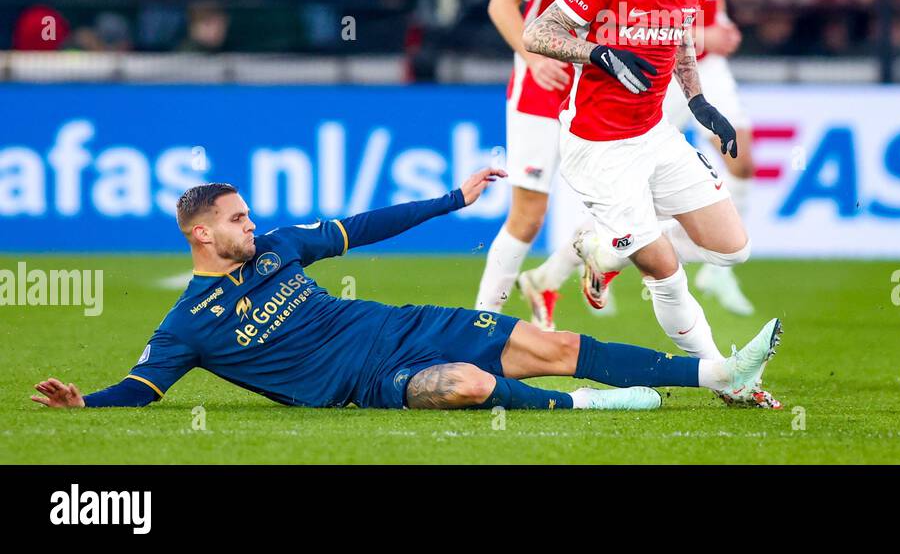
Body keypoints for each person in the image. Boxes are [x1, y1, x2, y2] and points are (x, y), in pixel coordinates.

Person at [31, 173, 782, 412]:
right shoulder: (187, 325)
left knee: (551, 344)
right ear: (201, 236)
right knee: (463, 385)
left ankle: (720, 372)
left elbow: (364, 226)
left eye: (248, 213)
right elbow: (143, 385)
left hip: (403, 323)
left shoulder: (282, 247)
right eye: (236, 220)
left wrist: (452, 199)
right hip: (369, 380)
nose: (251, 225)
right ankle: (591, 405)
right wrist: (86, 404)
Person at [522, 0, 781, 408]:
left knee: (733, 248)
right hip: (598, 146)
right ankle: (728, 379)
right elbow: (538, 32)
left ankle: (603, 245)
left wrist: (700, 100)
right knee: (664, 270)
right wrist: (599, 53)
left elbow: (682, 34)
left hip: (655, 136)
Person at [478, 0, 653, 328]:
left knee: (615, 210)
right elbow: (501, 4)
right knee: (529, 216)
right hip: (542, 88)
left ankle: (545, 281)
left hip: (595, 94)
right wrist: (532, 59)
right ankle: (482, 323)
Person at [658, 0, 755, 316]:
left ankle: (718, 273)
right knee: (641, 179)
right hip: (666, 64)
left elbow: (710, 1)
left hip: (709, 65)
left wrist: (722, 27)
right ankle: (589, 262)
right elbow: (644, 20)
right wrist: (705, 35)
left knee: (742, 157)